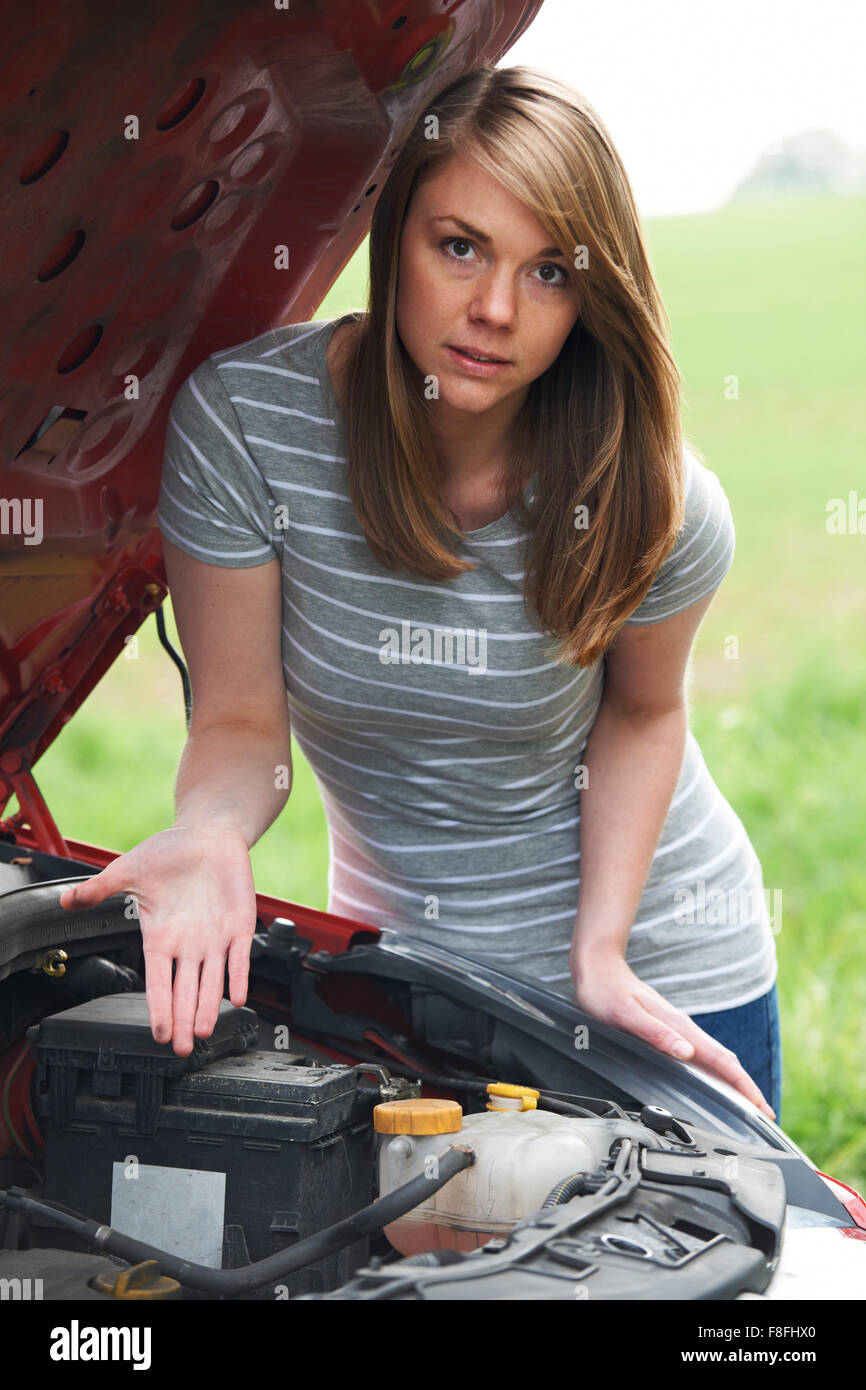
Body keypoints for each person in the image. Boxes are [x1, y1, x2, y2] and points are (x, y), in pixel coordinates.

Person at [60, 65, 781, 1121]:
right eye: (459, 247)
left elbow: (642, 709)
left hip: (658, 969)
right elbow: (239, 720)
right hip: (408, 979)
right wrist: (212, 829)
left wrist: (599, 951)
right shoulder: (249, 427)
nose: (493, 310)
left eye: (548, 273)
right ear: (392, 234)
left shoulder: (654, 492)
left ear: (590, 297)